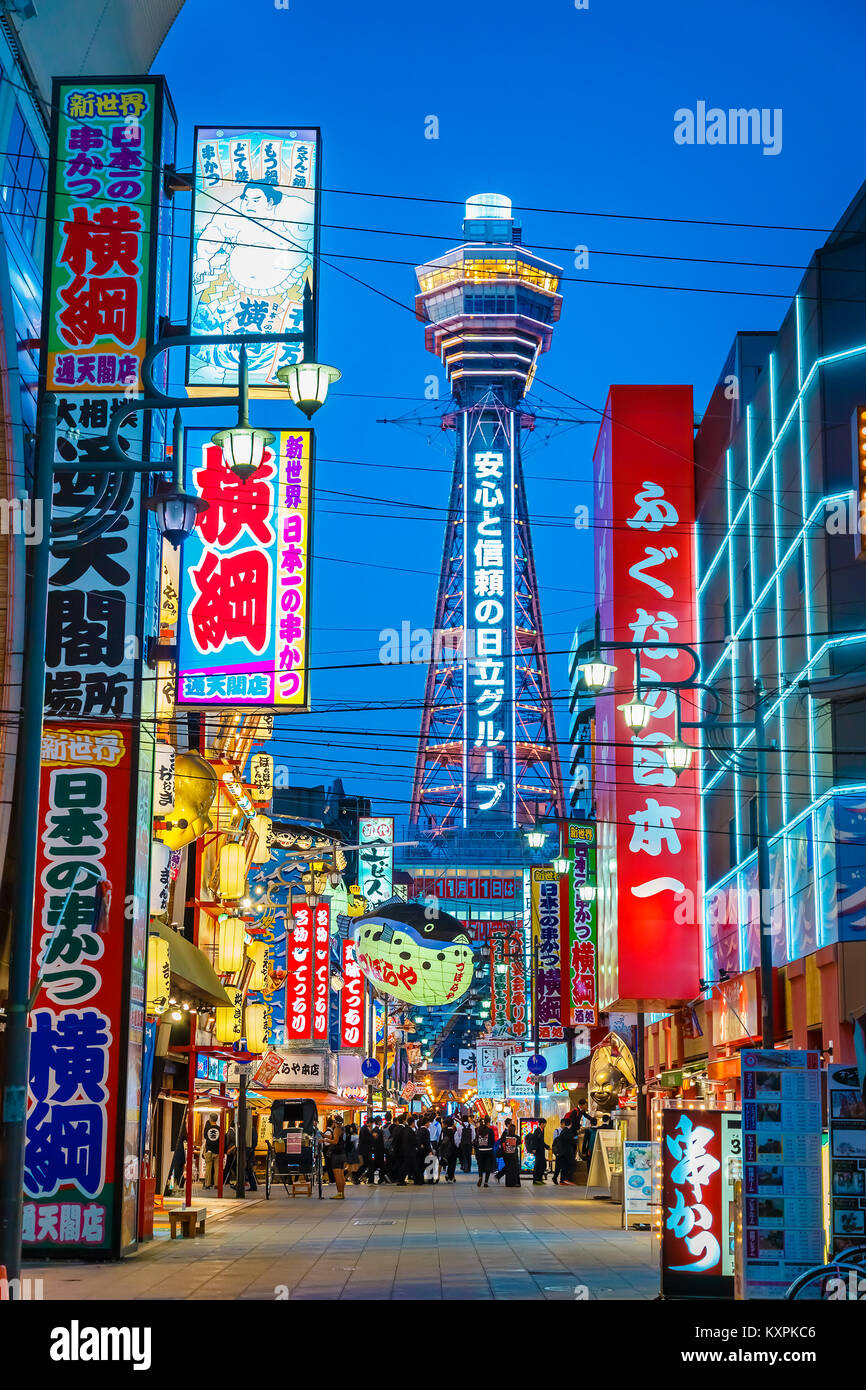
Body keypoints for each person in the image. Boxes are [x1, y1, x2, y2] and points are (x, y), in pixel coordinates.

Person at [324, 1114, 347, 1199]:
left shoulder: (337, 1129)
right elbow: (334, 1137)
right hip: (342, 1154)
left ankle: (339, 1193)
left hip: (337, 1155)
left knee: (338, 1176)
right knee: (341, 1175)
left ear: (335, 1122)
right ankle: (342, 1193)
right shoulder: (342, 1129)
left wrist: (326, 1140)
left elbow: (335, 1141)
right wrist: (324, 1136)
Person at [201, 1114, 221, 1189]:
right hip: (217, 1150)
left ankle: (207, 1184)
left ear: (210, 1119)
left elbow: (206, 1137)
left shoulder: (207, 1129)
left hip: (209, 1150)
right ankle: (216, 1184)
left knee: (208, 1168)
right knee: (217, 1168)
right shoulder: (219, 1129)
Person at [474, 1118, 496, 1187]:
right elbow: (493, 1140)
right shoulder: (490, 1130)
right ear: (488, 1122)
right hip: (489, 1150)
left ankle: (480, 1177)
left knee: (480, 1165)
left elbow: (476, 1140)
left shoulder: (479, 1130)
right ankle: (486, 1182)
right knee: (488, 1166)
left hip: (480, 1150)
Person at [500, 1121, 522, 1187]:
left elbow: (502, 1145)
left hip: (506, 1155)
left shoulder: (505, 1137)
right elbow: (519, 1146)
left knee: (508, 1169)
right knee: (515, 1169)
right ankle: (515, 1182)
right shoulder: (517, 1137)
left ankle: (508, 1183)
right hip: (513, 1155)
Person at [357, 1119, 375, 1184]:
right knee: (368, 1164)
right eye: (372, 1124)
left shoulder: (364, 1128)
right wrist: (373, 1136)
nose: (372, 1125)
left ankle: (358, 1176)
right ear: (369, 1123)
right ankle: (357, 1176)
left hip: (364, 1150)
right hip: (365, 1150)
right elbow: (366, 1140)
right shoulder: (365, 1129)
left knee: (365, 1165)